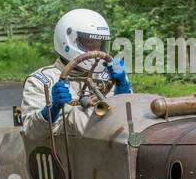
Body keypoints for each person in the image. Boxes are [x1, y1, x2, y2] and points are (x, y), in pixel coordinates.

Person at [21, 9, 131, 140]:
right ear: (67, 41)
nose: (95, 50)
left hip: (110, 141)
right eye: (89, 43)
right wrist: (53, 108)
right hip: (64, 149)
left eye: (99, 44)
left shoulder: (108, 75)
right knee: (79, 114)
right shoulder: (41, 80)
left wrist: (122, 86)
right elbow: (32, 133)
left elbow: (124, 117)